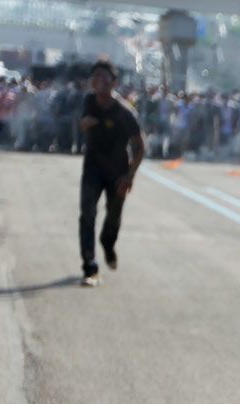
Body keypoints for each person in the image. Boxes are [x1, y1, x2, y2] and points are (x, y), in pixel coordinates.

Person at [76, 60, 144, 286]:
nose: (98, 81)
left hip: (118, 173)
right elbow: (83, 122)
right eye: (95, 76)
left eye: (104, 77)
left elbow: (139, 146)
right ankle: (90, 265)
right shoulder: (89, 101)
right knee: (87, 214)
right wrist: (85, 123)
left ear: (114, 82)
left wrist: (130, 176)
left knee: (112, 220)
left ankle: (107, 244)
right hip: (92, 169)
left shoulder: (125, 113)